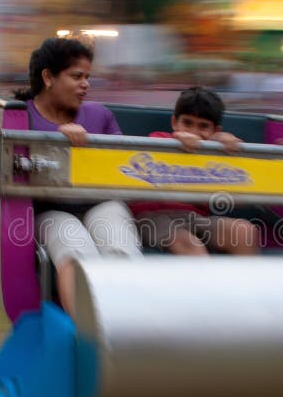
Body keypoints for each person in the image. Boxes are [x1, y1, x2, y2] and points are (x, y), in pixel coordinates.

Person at [14, 37, 142, 315]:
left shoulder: (100, 115)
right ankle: (87, 332)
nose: (86, 84)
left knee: (119, 244)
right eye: (76, 76)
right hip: (49, 208)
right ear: (48, 77)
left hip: (99, 201)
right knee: (74, 249)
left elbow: (122, 163)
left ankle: (129, 323)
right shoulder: (21, 118)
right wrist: (54, 142)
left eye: (88, 77)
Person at [130, 86, 261, 256]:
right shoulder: (160, 140)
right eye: (187, 123)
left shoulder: (214, 154)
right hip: (153, 217)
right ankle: (209, 283)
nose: (193, 132)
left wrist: (225, 147)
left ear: (215, 131)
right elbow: (148, 157)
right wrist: (179, 139)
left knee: (244, 231)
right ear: (174, 123)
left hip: (194, 217)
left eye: (203, 126)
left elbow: (241, 184)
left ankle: (247, 282)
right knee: (191, 244)